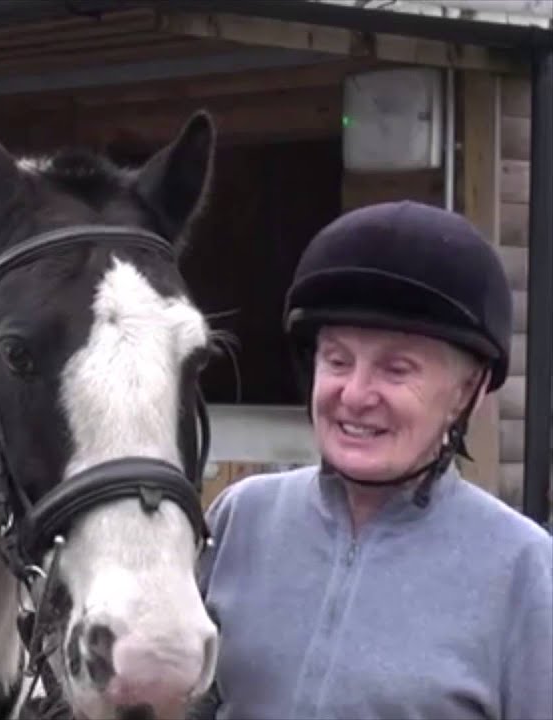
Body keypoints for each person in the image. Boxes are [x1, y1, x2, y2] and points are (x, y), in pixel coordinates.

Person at [194, 200, 552, 720]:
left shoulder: (524, 571)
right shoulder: (238, 520)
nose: (355, 394)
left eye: (396, 369)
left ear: (466, 392)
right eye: (337, 360)